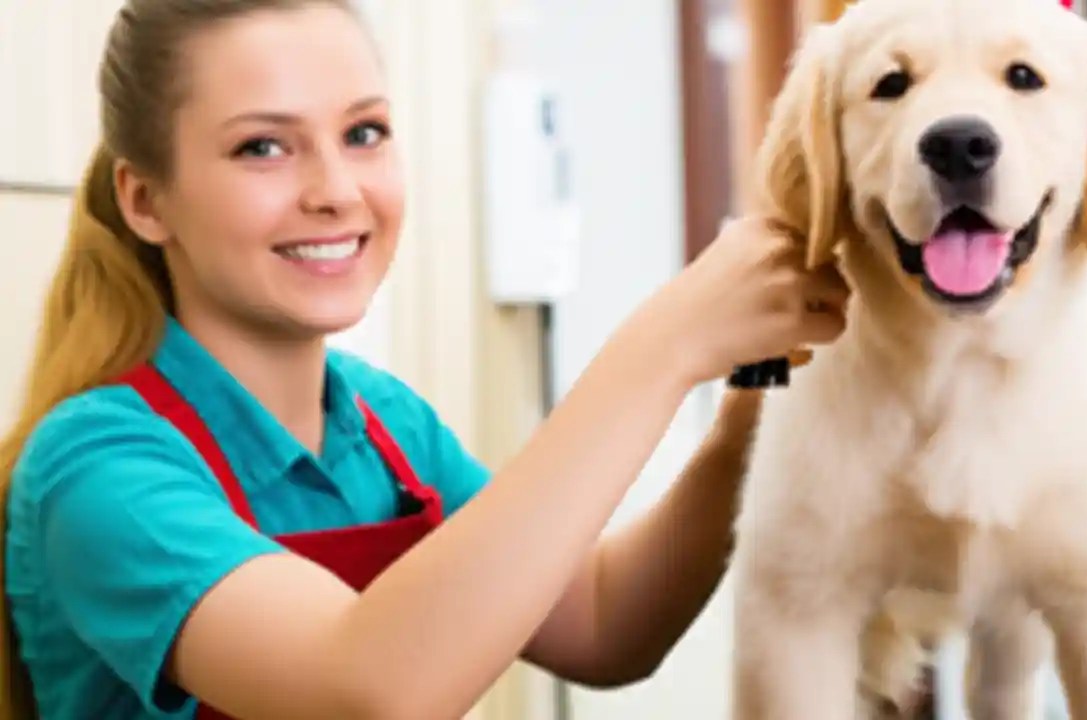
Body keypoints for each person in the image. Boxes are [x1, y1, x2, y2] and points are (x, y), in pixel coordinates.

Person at [0, 1, 850, 718]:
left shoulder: (382, 424)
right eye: (264, 146)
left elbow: (603, 627)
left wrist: (746, 426)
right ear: (145, 200)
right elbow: (369, 690)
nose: (336, 189)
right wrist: (665, 346)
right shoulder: (98, 469)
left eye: (364, 132)